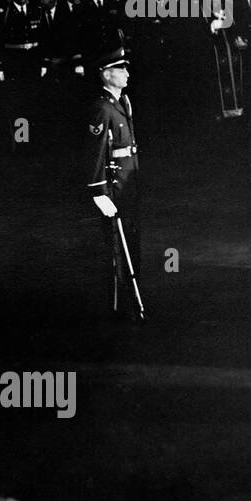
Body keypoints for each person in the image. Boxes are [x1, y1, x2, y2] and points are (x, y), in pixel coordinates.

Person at [86, 48, 142, 318]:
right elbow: (96, 151)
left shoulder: (123, 102)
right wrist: (99, 192)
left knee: (131, 237)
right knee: (116, 244)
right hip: (114, 183)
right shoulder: (102, 108)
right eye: (121, 70)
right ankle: (118, 301)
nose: (127, 73)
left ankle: (130, 293)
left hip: (129, 181)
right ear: (107, 75)